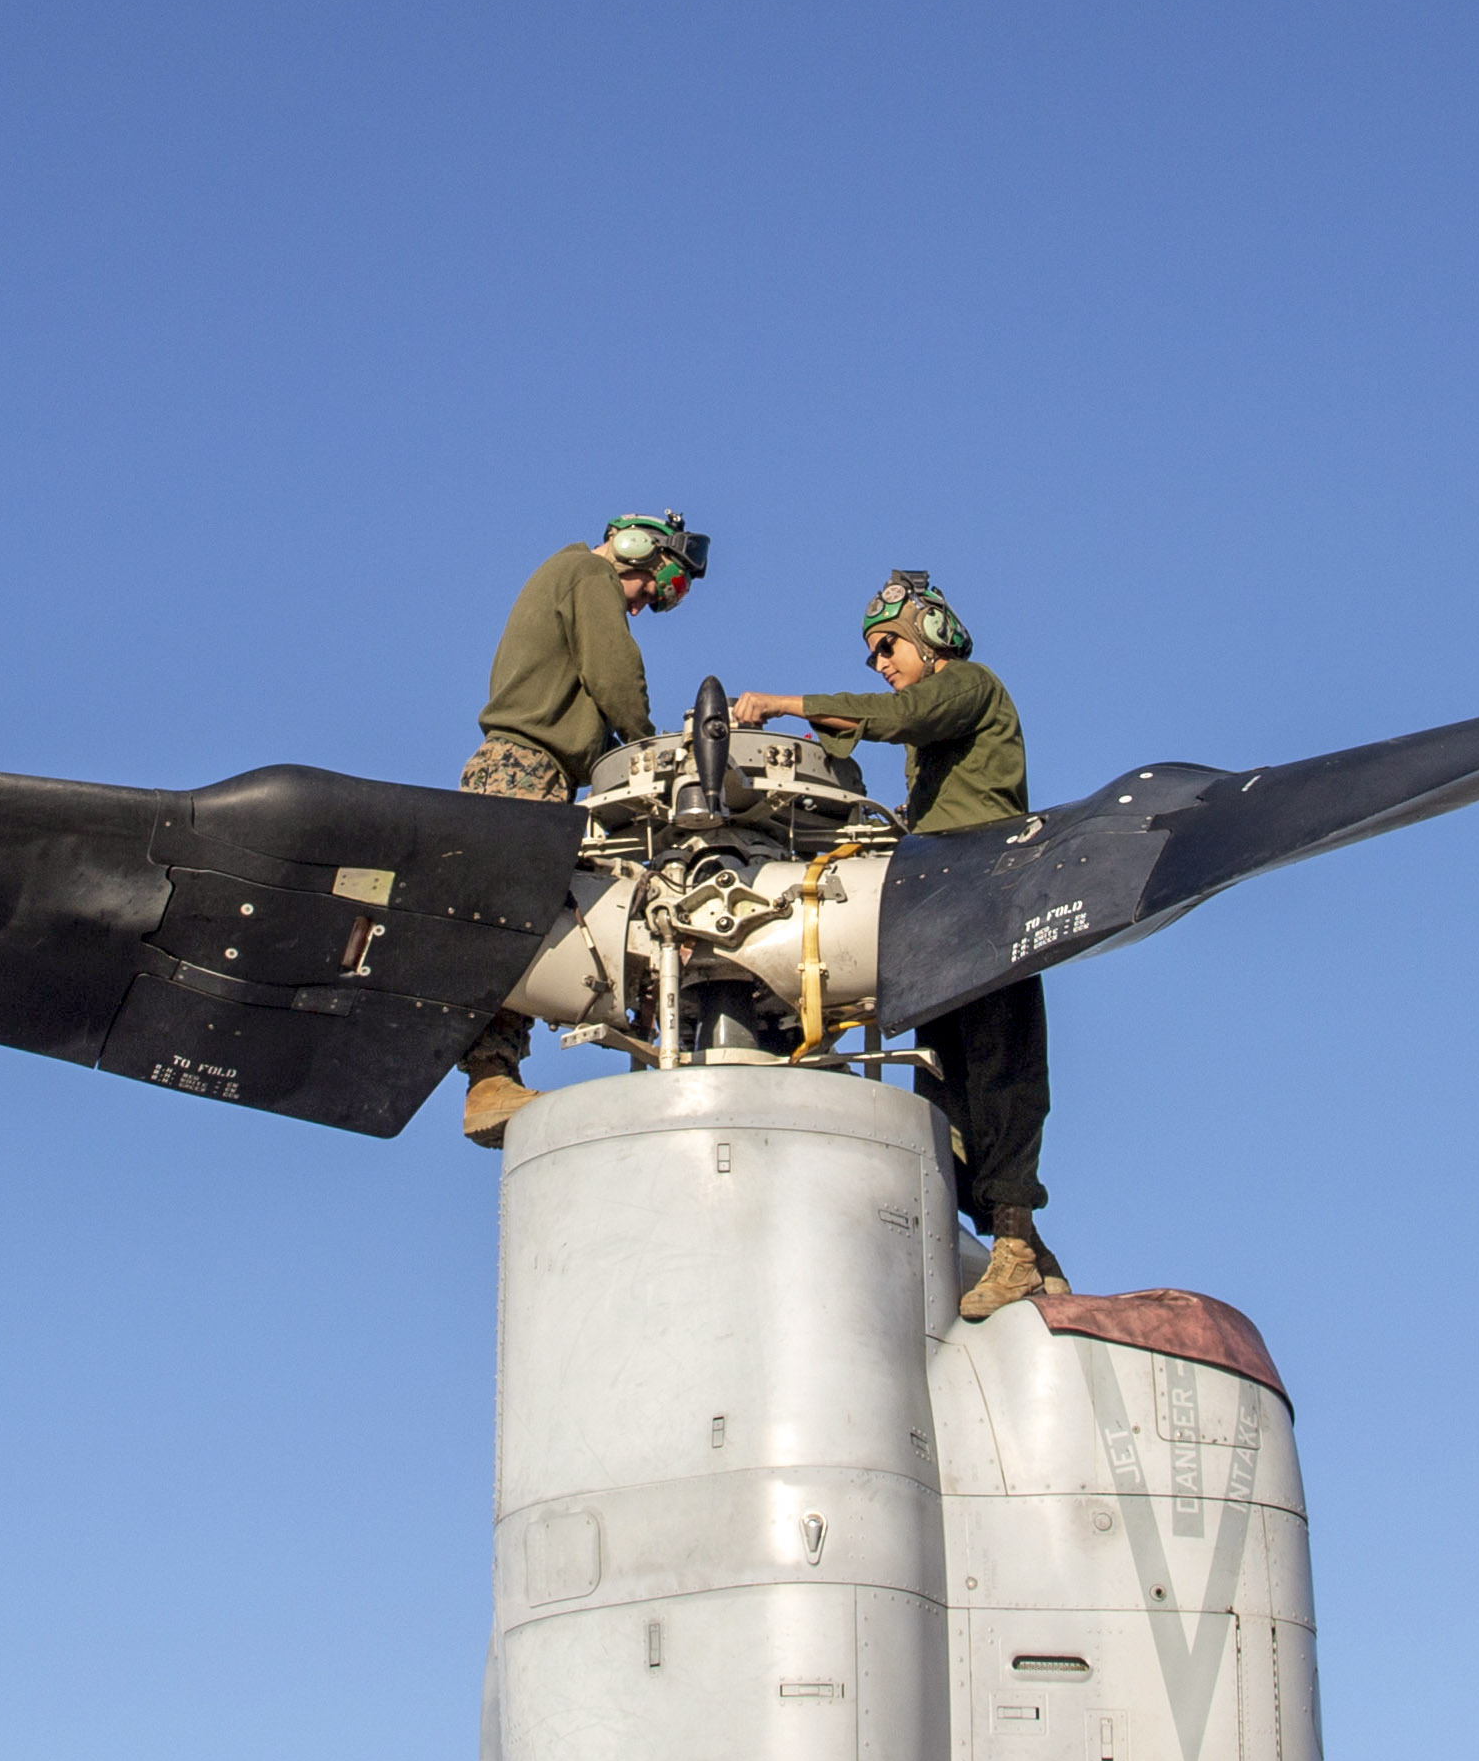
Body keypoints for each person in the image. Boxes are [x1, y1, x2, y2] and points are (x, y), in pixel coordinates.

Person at [729, 571, 1060, 1319]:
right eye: (873, 654)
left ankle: (1016, 1249)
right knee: (944, 1084)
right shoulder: (932, 760)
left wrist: (789, 705)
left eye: (889, 646)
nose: (881, 662)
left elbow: (899, 714)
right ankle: (1019, 1251)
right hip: (943, 905)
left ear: (931, 637)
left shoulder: (971, 685)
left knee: (1001, 1068)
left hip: (989, 892)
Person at [453, 512, 707, 1146]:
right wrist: (653, 753)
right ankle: (487, 1078)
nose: (642, 606)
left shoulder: (566, 572)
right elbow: (616, 675)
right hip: (526, 768)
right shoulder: (588, 573)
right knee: (511, 920)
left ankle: (493, 1075)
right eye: (649, 590)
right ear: (633, 548)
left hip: (531, 772)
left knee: (525, 921)